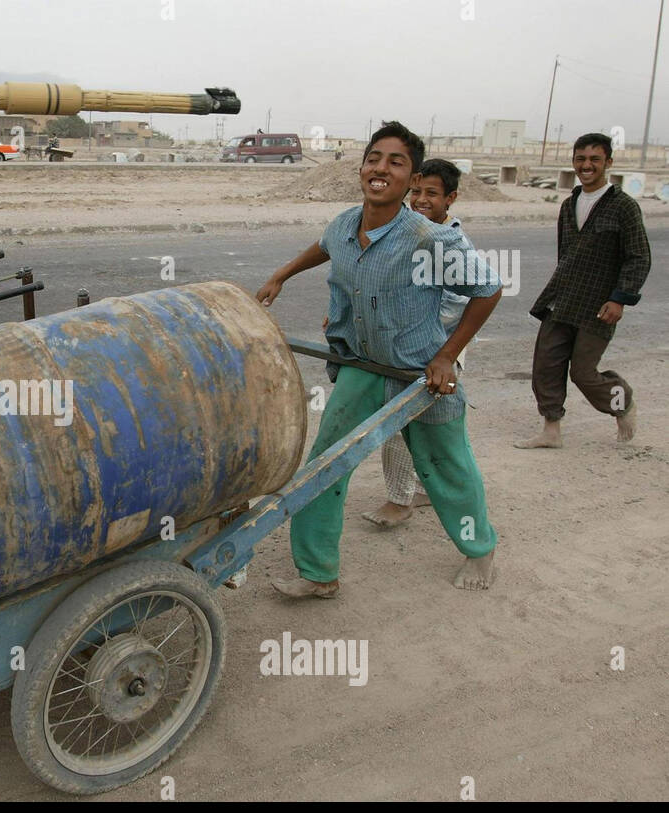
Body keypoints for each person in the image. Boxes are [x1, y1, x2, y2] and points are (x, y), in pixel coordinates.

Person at [255, 122, 503, 595]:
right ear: (362, 168)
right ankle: (318, 573)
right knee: (324, 465)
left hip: (420, 378)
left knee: (446, 468)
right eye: (374, 159)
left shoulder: (428, 239)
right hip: (362, 369)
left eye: (396, 162)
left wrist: (447, 356)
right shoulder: (344, 224)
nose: (381, 169)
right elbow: (324, 247)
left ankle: (480, 550)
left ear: (412, 179)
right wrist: (282, 274)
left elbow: (488, 289)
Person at [515, 132, 651, 448]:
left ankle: (622, 403)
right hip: (562, 300)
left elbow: (639, 257)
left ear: (608, 162)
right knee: (546, 366)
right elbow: (566, 254)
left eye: (594, 159)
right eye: (580, 159)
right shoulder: (568, 204)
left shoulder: (624, 207)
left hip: (599, 306)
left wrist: (619, 299)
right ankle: (551, 431)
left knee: (584, 373)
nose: (586, 165)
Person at [362, 158, 471, 528]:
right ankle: (404, 495)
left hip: (439, 350)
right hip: (403, 347)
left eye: (432, 194)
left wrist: (409, 332)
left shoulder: (452, 243)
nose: (422, 200)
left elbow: (454, 305)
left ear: (450, 199)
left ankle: (411, 497)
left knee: (424, 429)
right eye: (417, 191)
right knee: (401, 424)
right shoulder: (406, 233)